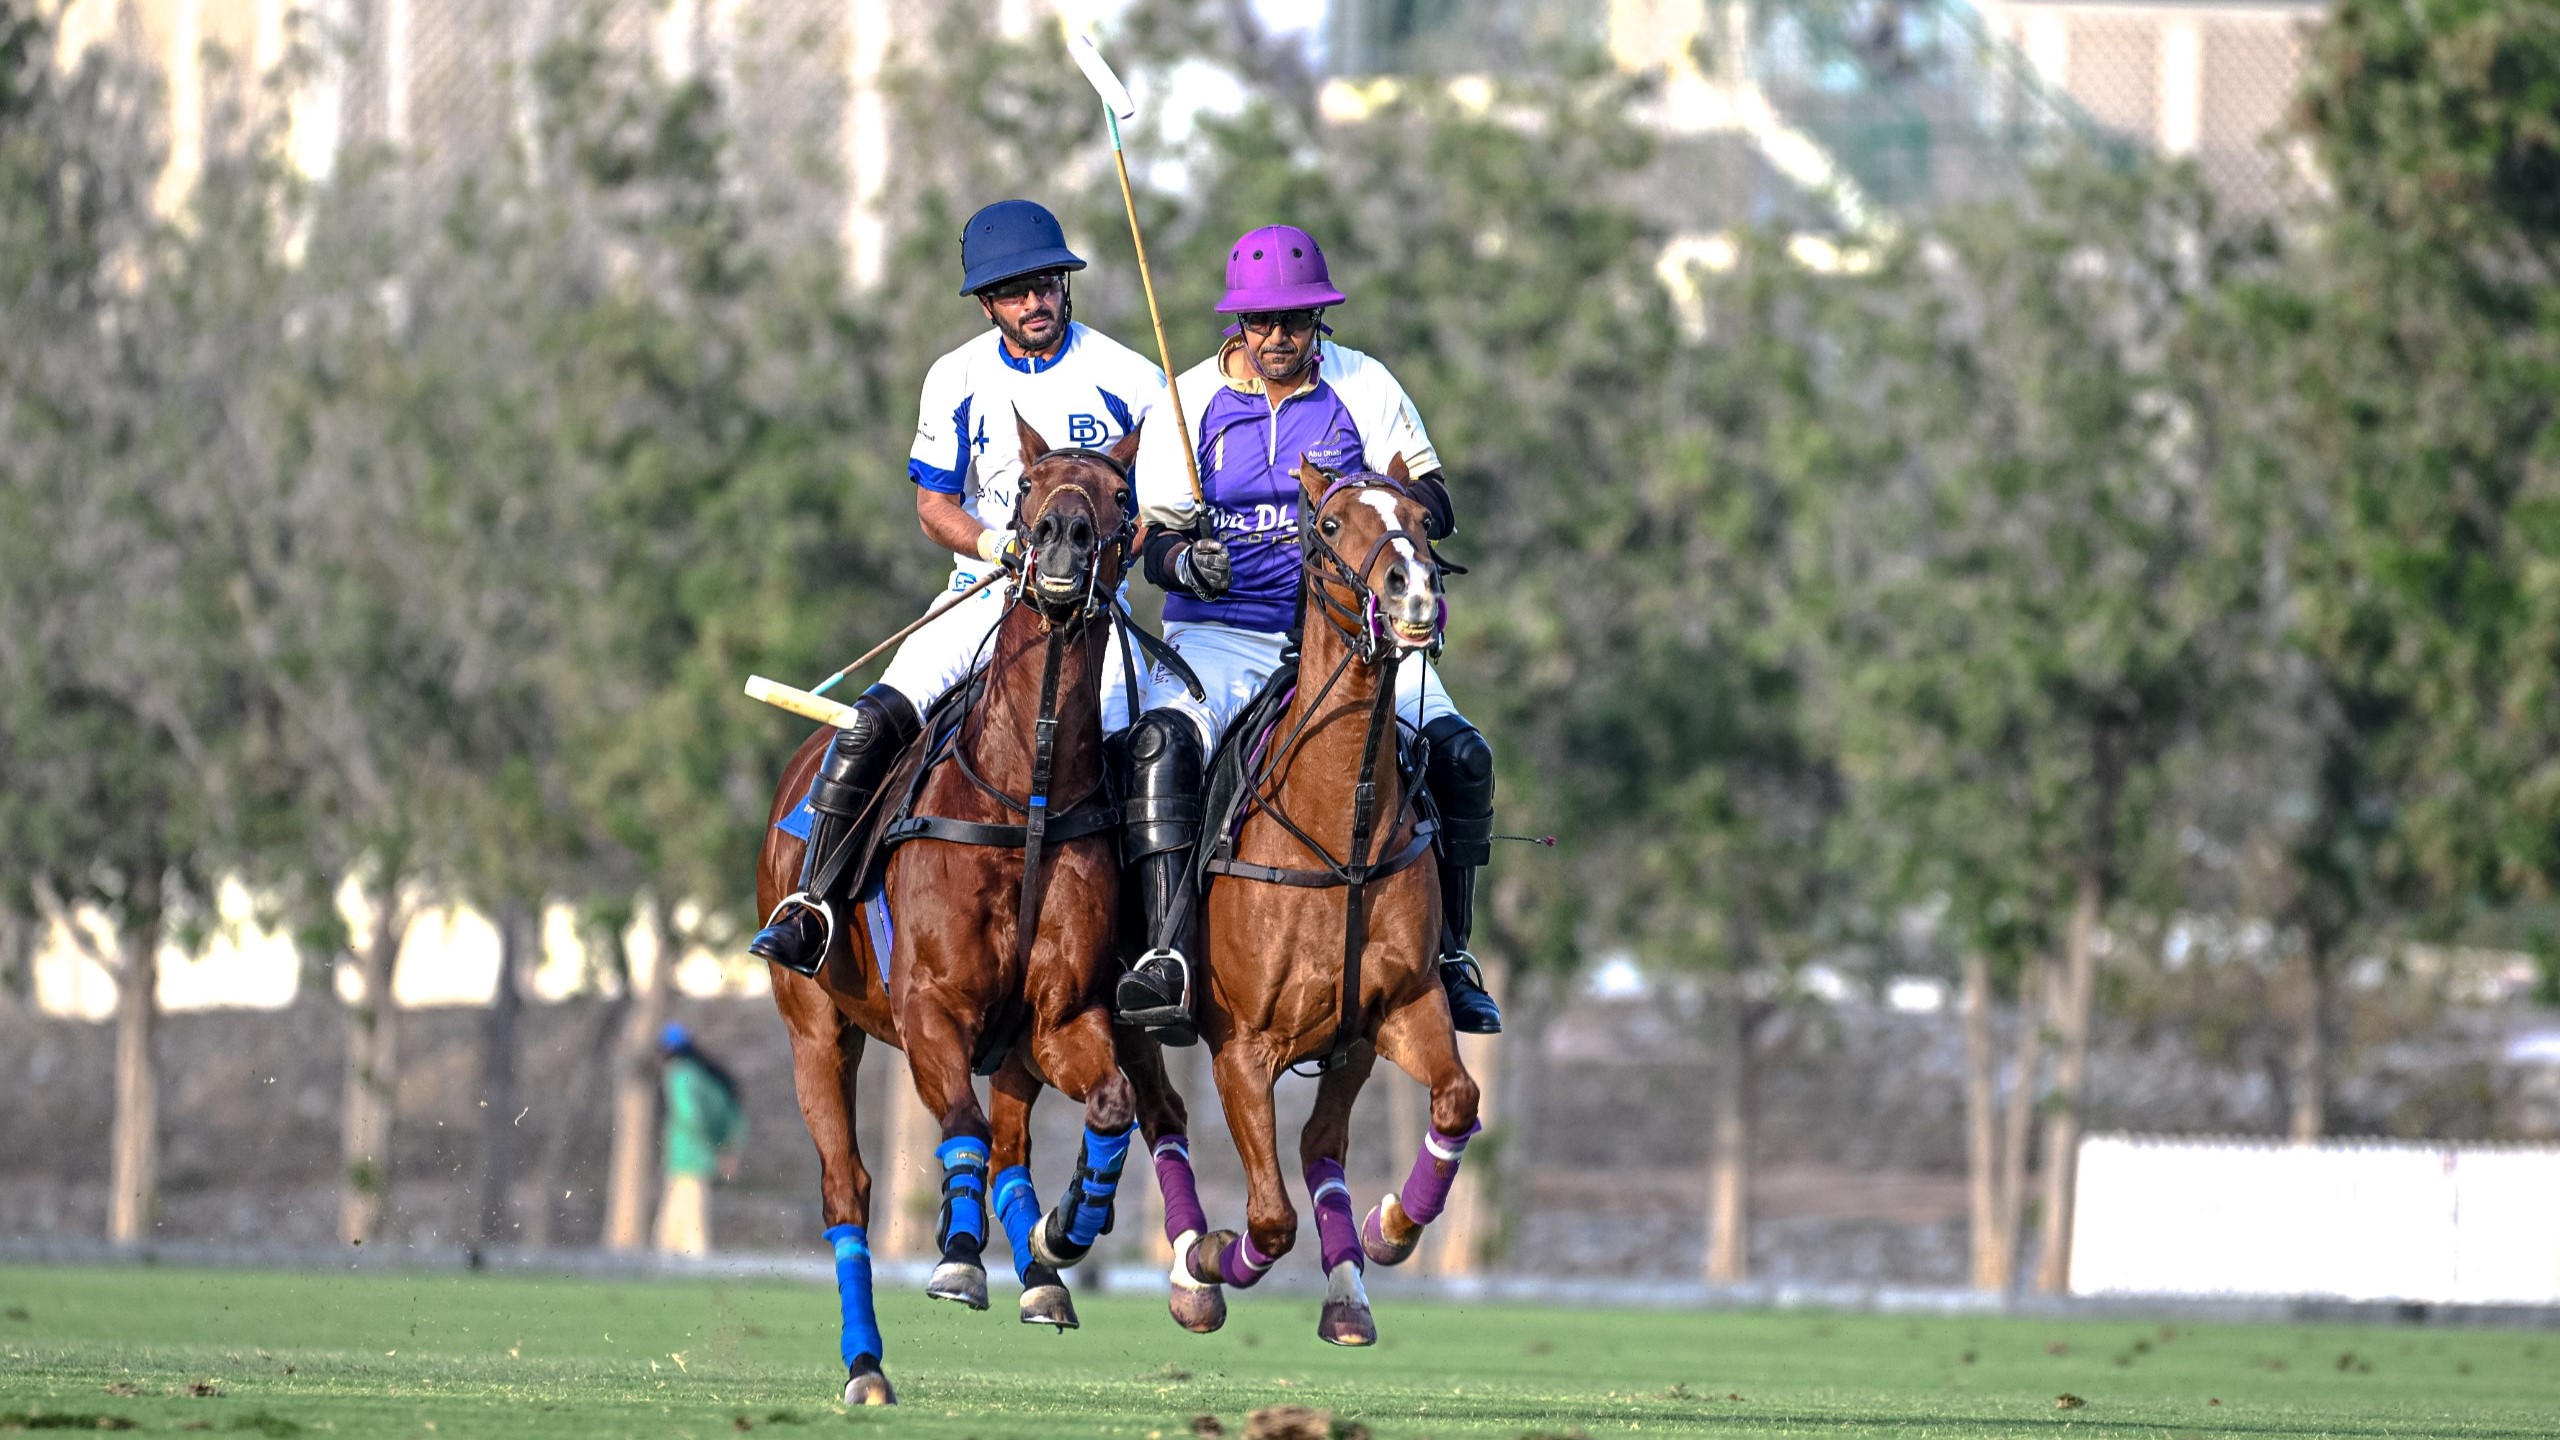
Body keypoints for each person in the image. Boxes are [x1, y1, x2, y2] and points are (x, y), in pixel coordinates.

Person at [749, 199, 1171, 976]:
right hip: (982, 597)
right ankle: (814, 903)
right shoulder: (956, 377)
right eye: (1014, 292)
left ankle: (1148, 943)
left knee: (1140, 748)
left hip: (1095, 615)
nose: (1034, 302)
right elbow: (933, 504)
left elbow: (1164, 504)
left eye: (1045, 284)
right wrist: (1000, 544)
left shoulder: (1129, 377)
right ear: (988, 304)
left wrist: (1115, 549)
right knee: (874, 721)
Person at [1115, 224, 1502, 1038]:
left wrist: (1374, 509)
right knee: (1158, 750)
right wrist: (1189, 564)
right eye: (1263, 324)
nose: (1279, 338)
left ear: (1318, 320)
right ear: (1239, 326)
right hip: (1221, 637)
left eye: (1296, 320)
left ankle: (1453, 954)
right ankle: (1164, 953)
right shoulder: (1186, 407)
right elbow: (1155, 551)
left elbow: (1436, 500)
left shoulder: (1365, 386)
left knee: (1464, 755)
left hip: (1356, 644)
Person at [655, 1021, 745, 1256]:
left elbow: (690, 1116)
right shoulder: (708, 1078)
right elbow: (733, 1115)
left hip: (687, 1158)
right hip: (700, 1160)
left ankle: (692, 1273)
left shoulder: (677, 1074)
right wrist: (725, 1150)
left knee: (689, 1228)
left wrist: (712, 1150)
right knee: (674, 1224)